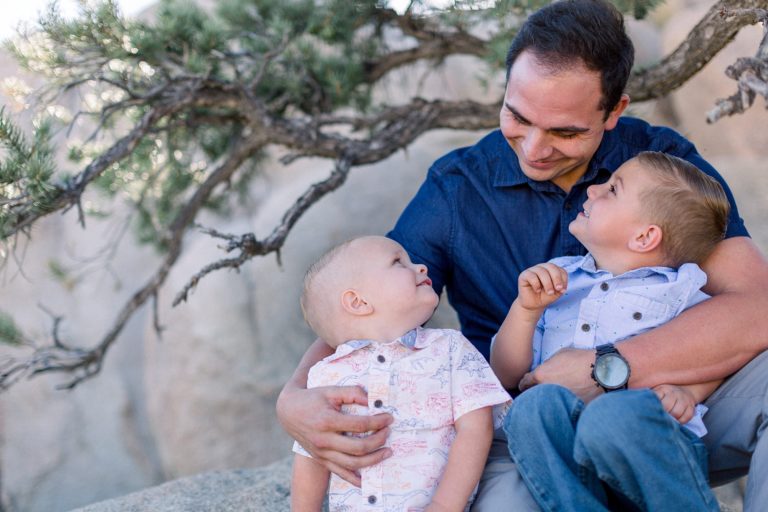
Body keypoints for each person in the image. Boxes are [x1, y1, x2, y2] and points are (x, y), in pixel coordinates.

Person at [277, 0, 768, 509]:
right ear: (506, 86)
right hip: (522, 432)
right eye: (518, 115)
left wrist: (611, 367)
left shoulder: (660, 168)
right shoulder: (455, 188)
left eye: (566, 132)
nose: (534, 148)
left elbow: (757, 307)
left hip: (667, 410)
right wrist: (295, 396)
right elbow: (368, 300)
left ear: (615, 111)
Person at [492, 151, 728, 511]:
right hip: (567, 457)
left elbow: (716, 351)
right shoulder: (558, 279)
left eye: (613, 189)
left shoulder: (679, 290)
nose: (592, 190)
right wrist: (525, 312)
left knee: (613, 415)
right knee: (531, 407)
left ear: (645, 236)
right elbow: (505, 373)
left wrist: (689, 390)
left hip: (646, 453)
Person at [290, 235, 511, 511]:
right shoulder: (326, 374)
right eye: (398, 262)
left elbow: (476, 429)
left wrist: (444, 505)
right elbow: (312, 453)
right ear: (358, 302)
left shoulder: (450, 348)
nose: (421, 267)